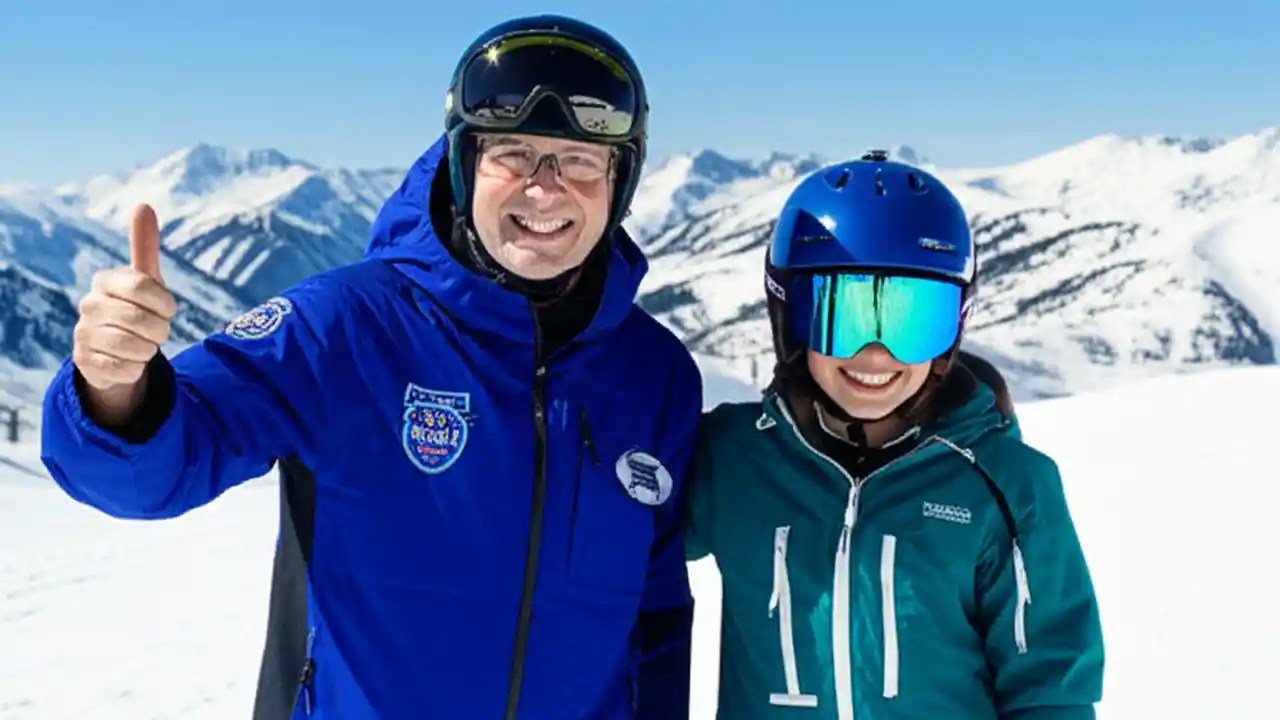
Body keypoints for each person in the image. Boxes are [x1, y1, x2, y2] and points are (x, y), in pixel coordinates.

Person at [40, 14, 701, 720]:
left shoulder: (655, 376)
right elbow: (155, 472)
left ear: (620, 181)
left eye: (579, 161)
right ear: (464, 163)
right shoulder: (345, 328)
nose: (545, 189)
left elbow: (655, 618)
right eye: (513, 154)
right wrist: (115, 391)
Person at [685, 153, 1105, 718]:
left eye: (913, 320)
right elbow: (611, 544)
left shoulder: (1008, 486)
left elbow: (1051, 688)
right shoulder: (733, 458)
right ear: (789, 318)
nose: (876, 354)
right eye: (841, 316)